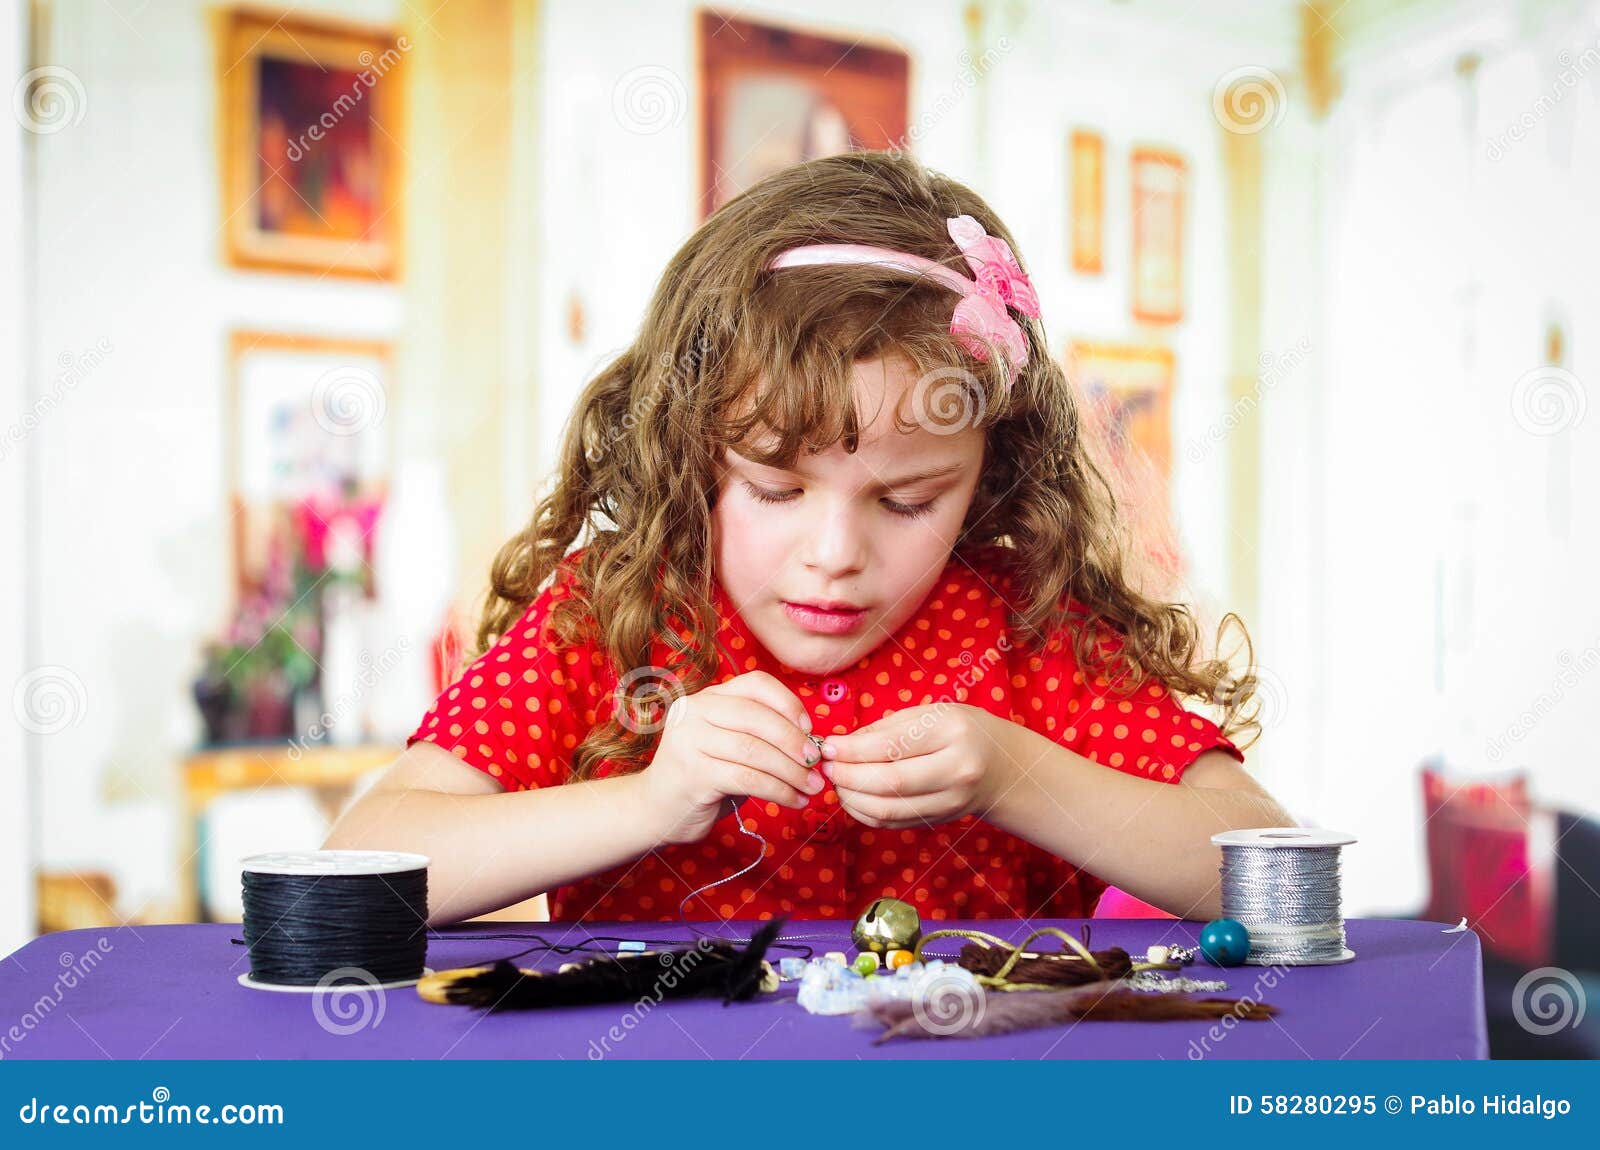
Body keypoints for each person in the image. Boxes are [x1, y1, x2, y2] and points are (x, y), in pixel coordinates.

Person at [325, 150, 1292, 926]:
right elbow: (353, 875)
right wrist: (649, 802)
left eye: (907, 500)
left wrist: (1018, 774)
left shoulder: (1032, 627)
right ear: (689, 452)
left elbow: (1267, 871)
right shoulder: (615, 615)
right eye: (773, 487)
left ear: (991, 477)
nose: (834, 552)